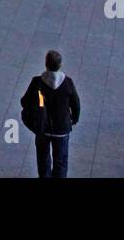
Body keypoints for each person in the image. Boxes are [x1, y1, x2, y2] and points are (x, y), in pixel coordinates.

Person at [21, 50, 81, 178]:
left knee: (43, 160)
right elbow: (76, 104)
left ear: (46, 64)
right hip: (62, 129)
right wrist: (73, 120)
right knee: (61, 162)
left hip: (43, 128)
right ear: (60, 65)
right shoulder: (67, 83)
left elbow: (24, 101)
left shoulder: (37, 82)